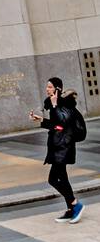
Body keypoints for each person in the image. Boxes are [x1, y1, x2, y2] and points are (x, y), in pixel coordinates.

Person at [30, 76, 86, 223]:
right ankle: (70, 209)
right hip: (58, 146)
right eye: (47, 86)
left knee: (53, 179)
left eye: (49, 87)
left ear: (57, 89)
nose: (47, 89)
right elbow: (56, 125)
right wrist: (41, 120)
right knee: (62, 178)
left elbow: (63, 121)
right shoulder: (55, 104)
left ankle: (75, 204)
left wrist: (55, 106)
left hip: (64, 147)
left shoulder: (65, 104)